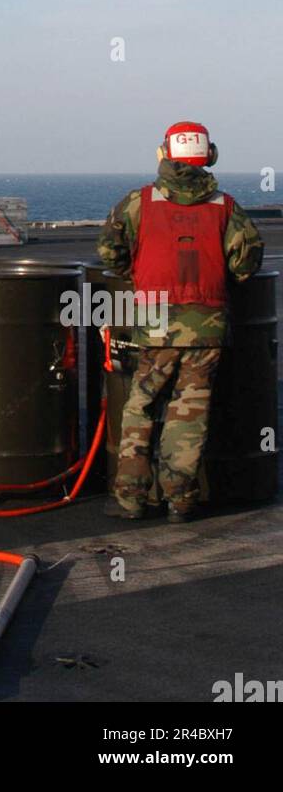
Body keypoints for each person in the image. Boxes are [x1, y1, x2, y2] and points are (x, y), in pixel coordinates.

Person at [97, 120, 263, 523]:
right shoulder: (225, 206)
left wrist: (134, 274)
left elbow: (109, 250)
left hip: (154, 315)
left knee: (141, 405)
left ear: (164, 155)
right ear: (209, 157)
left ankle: (131, 499)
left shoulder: (137, 202)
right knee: (189, 413)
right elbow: (246, 261)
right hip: (207, 321)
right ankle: (180, 500)